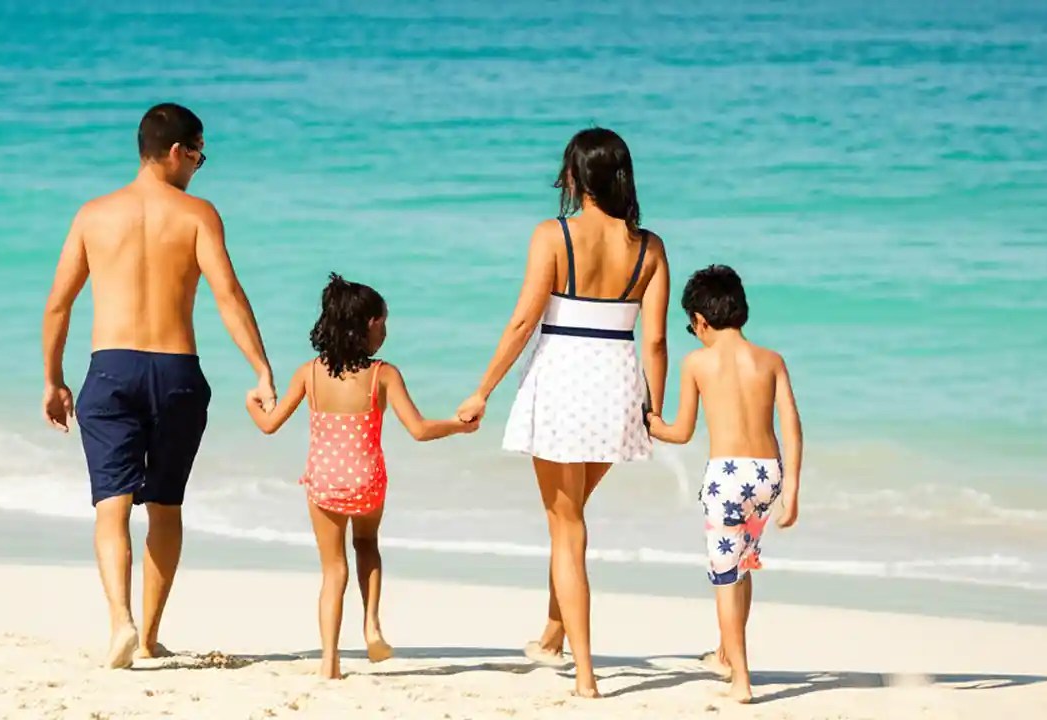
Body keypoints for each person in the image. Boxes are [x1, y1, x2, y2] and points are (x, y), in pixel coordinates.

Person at [41, 103, 277, 669]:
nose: (199, 165)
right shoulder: (198, 214)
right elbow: (228, 296)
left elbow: (58, 305)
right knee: (165, 507)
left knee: (111, 507)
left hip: (110, 370)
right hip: (176, 373)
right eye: (200, 154)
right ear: (176, 151)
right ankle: (147, 636)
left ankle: (119, 622)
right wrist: (261, 369)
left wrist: (53, 379)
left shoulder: (93, 214)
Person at [456, 128, 670, 698]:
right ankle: (552, 632)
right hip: (616, 387)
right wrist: (656, 405)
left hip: (561, 382)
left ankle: (584, 673)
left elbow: (524, 321)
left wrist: (482, 390)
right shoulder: (650, 246)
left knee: (566, 525)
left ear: (574, 176)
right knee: (571, 514)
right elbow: (654, 342)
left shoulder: (553, 234)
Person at [246, 273, 477, 679]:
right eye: (384, 322)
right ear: (370, 324)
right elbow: (420, 430)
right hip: (367, 478)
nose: (385, 331)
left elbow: (268, 426)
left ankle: (329, 662)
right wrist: (460, 425)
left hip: (323, 480)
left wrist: (252, 402)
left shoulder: (309, 373)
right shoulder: (383, 374)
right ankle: (371, 625)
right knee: (367, 544)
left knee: (333, 569)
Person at [647, 264, 803, 704]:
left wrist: (650, 424)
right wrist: (791, 489)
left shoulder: (697, 362)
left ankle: (741, 679)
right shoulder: (771, 360)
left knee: (722, 576)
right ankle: (724, 653)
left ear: (700, 320)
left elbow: (681, 432)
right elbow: (791, 425)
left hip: (726, 481)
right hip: (767, 475)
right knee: (743, 564)